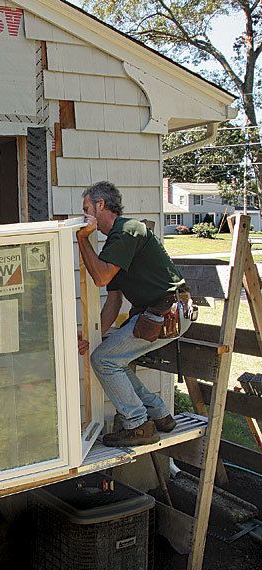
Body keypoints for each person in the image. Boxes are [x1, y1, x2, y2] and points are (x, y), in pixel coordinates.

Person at [77, 181, 194, 448]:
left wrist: (82, 238)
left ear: (101, 205)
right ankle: (158, 413)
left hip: (167, 311)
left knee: (105, 360)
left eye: (86, 208)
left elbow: (100, 277)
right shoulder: (114, 243)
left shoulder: (127, 230)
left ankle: (138, 425)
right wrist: (91, 334)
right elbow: (113, 301)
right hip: (160, 313)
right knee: (111, 358)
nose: (84, 216)